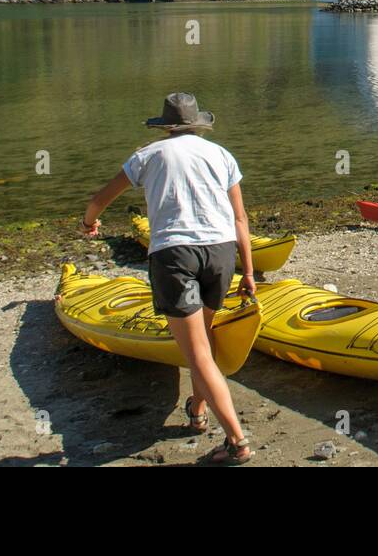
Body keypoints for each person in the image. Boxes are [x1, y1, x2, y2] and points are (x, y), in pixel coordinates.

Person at [80, 93, 256, 465]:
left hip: (174, 254)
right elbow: (241, 219)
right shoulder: (222, 156)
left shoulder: (148, 155)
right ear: (197, 125)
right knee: (203, 343)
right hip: (221, 252)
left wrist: (89, 222)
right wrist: (250, 272)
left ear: (166, 126)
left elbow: (100, 199)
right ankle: (197, 411)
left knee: (197, 354)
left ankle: (237, 442)